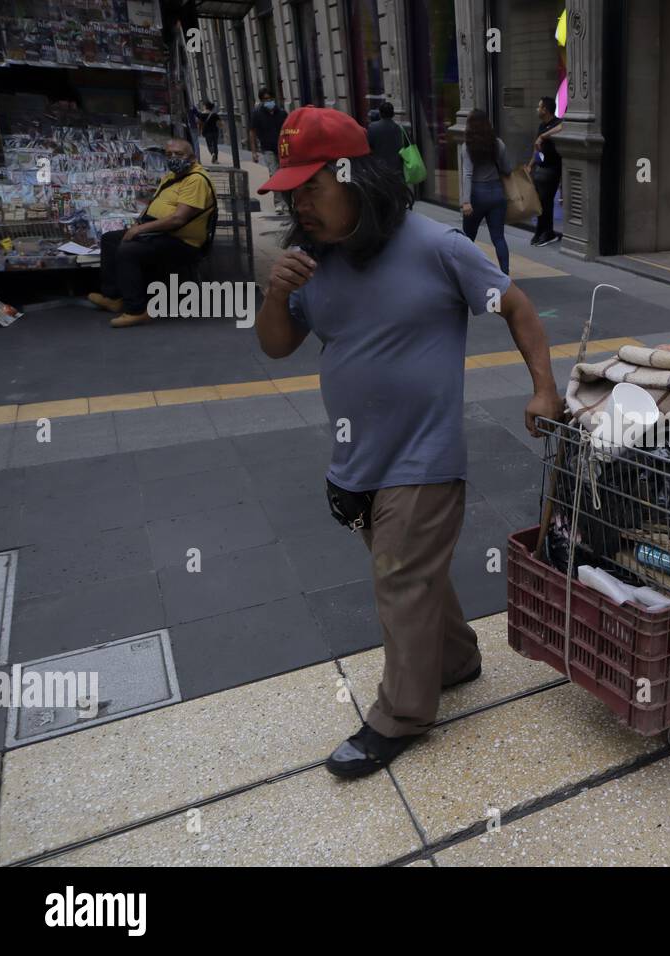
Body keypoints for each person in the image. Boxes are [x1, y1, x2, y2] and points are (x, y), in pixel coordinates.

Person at [253, 107, 561, 778]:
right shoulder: (312, 264)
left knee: (398, 575)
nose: (298, 203)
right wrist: (274, 298)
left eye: (312, 187)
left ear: (356, 177)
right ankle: (455, 659)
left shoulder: (437, 247)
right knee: (412, 575)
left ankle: (401, 715)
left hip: (426, 457)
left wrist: (543, 388)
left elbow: (517, 307)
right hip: (357, 459)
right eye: (291, 192)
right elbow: (277, 346)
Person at [87, 139, 215, 329]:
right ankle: (114, 297)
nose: (172, 158)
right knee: (110, 239)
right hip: (161, 233)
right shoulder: (172, 176)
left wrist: (139, 229)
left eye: (178, 154)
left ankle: (136, 310)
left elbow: (178, 219)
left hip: (182, 241)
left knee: (128, 250)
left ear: (192, 157)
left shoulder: (195, 180)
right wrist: (139, 222)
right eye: (169, 154)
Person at [460, 109, 512, 274]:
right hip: (497, 193)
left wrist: (466, 201)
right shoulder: (498, 144)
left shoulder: (467, 146)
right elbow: (507, 169)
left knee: (468, 237)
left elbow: (467, 174)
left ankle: (465, 272)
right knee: (498, 237)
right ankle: (505, 274)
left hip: (477, 194)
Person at [526, 95, 562, 246]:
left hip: (552, 170)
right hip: (541, 169)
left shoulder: (557, 123)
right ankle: (540, 231)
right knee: (539, 203)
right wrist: (530, 165)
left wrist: (543, 136)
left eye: (539, 107)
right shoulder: (541, 125)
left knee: (546, 203)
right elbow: (538, 151)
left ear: (545, 110)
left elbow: (564, 127)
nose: (537, 109)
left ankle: (548, 233)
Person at [249, 88, 289, 215]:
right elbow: (252, 132)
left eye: (270, 99)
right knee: (274, 174)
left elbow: (289, 129)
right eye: (265, 100)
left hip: (283, 148)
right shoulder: (257, 114)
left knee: (286, 174)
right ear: (261, 101)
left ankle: (288, 202)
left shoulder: (282, 113)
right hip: (267, 148)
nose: (268, 101)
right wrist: (254, 152)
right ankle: (278, 203)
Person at [366, 100, 404, 174]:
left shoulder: (373, 127)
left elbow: (369, 146)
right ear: (393, 114)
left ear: (380, 113)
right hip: (396, 168)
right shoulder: (398, 128)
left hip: (379, 168)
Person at [196, 99, 221, 164]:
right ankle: (216, 160)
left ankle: (212, 153)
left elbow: (200, 123)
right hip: (215, 131)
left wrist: (199, 131)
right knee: (215, 145)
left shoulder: (202, 115)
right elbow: (219, 123)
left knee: (209, 144)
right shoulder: (214, 114)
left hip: (207, 132)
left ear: (205, 106)